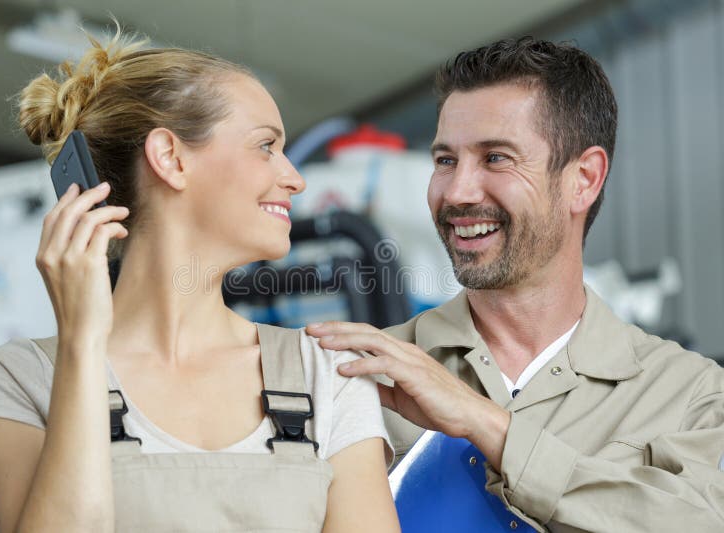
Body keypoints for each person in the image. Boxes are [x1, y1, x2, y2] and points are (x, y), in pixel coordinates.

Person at [0, 28, 399, 533]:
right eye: (266, 146)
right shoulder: (17, 379)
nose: (295, 177)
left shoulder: (328, 377)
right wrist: (83, 343)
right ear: (171, 158)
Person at [306, 37, 724, 532]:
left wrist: (487, 426)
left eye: (496, 158)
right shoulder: (355, 376)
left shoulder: (690, 393)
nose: (457, 192)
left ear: (584, 179)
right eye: (445, 160)